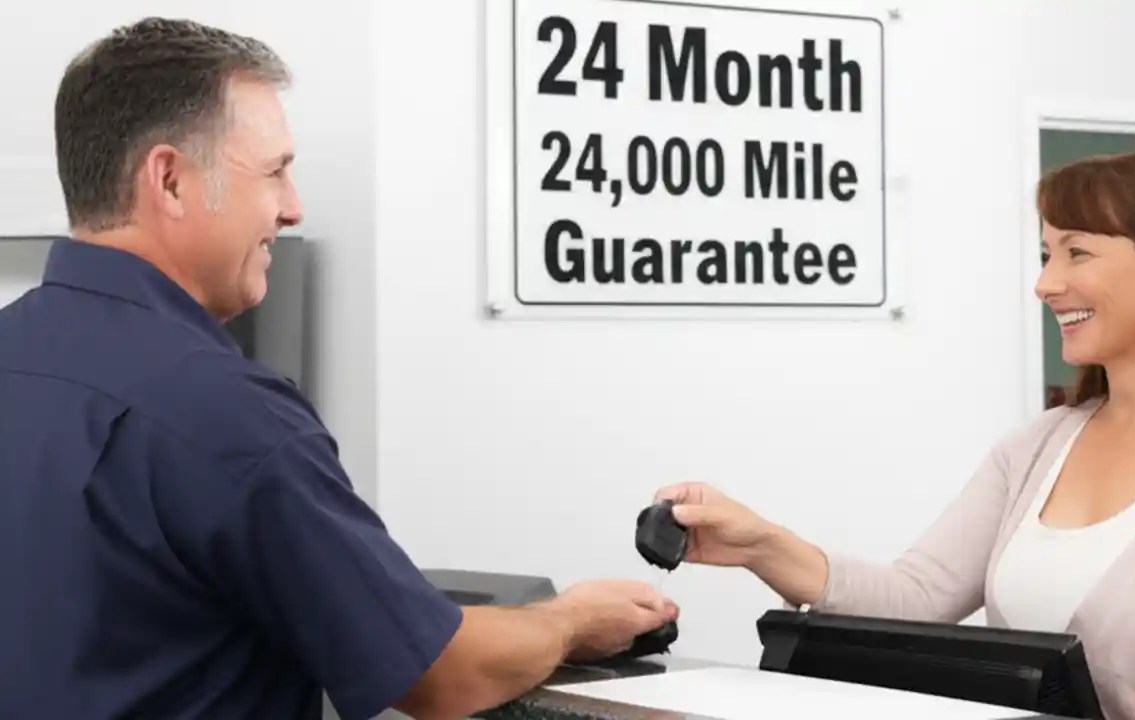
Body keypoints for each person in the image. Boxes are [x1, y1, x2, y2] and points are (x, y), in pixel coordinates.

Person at [0, 17, 676, 720]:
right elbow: (441, 676)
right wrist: (570, 619)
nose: (292, 208)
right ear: (169, 180)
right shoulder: (221, 413)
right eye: (274, 172)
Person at [655, 150, 1135, 720]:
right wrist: (761, 545)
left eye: (1078, 252)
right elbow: (915, 599)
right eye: (1046, 255)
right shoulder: (1036, 448)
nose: (1045, 284)